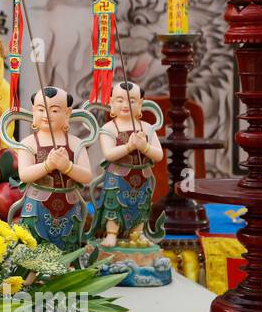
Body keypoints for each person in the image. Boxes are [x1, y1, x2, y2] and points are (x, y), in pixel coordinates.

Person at [13, 86, 93, 250]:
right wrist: (48, 165)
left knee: (67, 248)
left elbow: (87, 177)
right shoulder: (28, 143)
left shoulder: (75, 143)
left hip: (69, 204)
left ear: (68, 114)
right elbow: (24, 174)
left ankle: (68, 269)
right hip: (37, 205)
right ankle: (34, 274)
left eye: (54, 110)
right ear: (33, 111)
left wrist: (68, 167)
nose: (46, 115)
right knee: (35, 248)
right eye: (41, 109)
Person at [94, 81, 164, 246]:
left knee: (141, 206)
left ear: (140, 104)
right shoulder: (109, 128)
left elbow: (159, 155)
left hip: (142, 176)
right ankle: (111, 233)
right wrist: (129, 146)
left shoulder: (147, 128)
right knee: (114, 205)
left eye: (131, 101)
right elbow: (109, 154)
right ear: (111, 102)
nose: (125, 104)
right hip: (117, 177)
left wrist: (144, 147)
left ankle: (137, 233)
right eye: (120, 100)